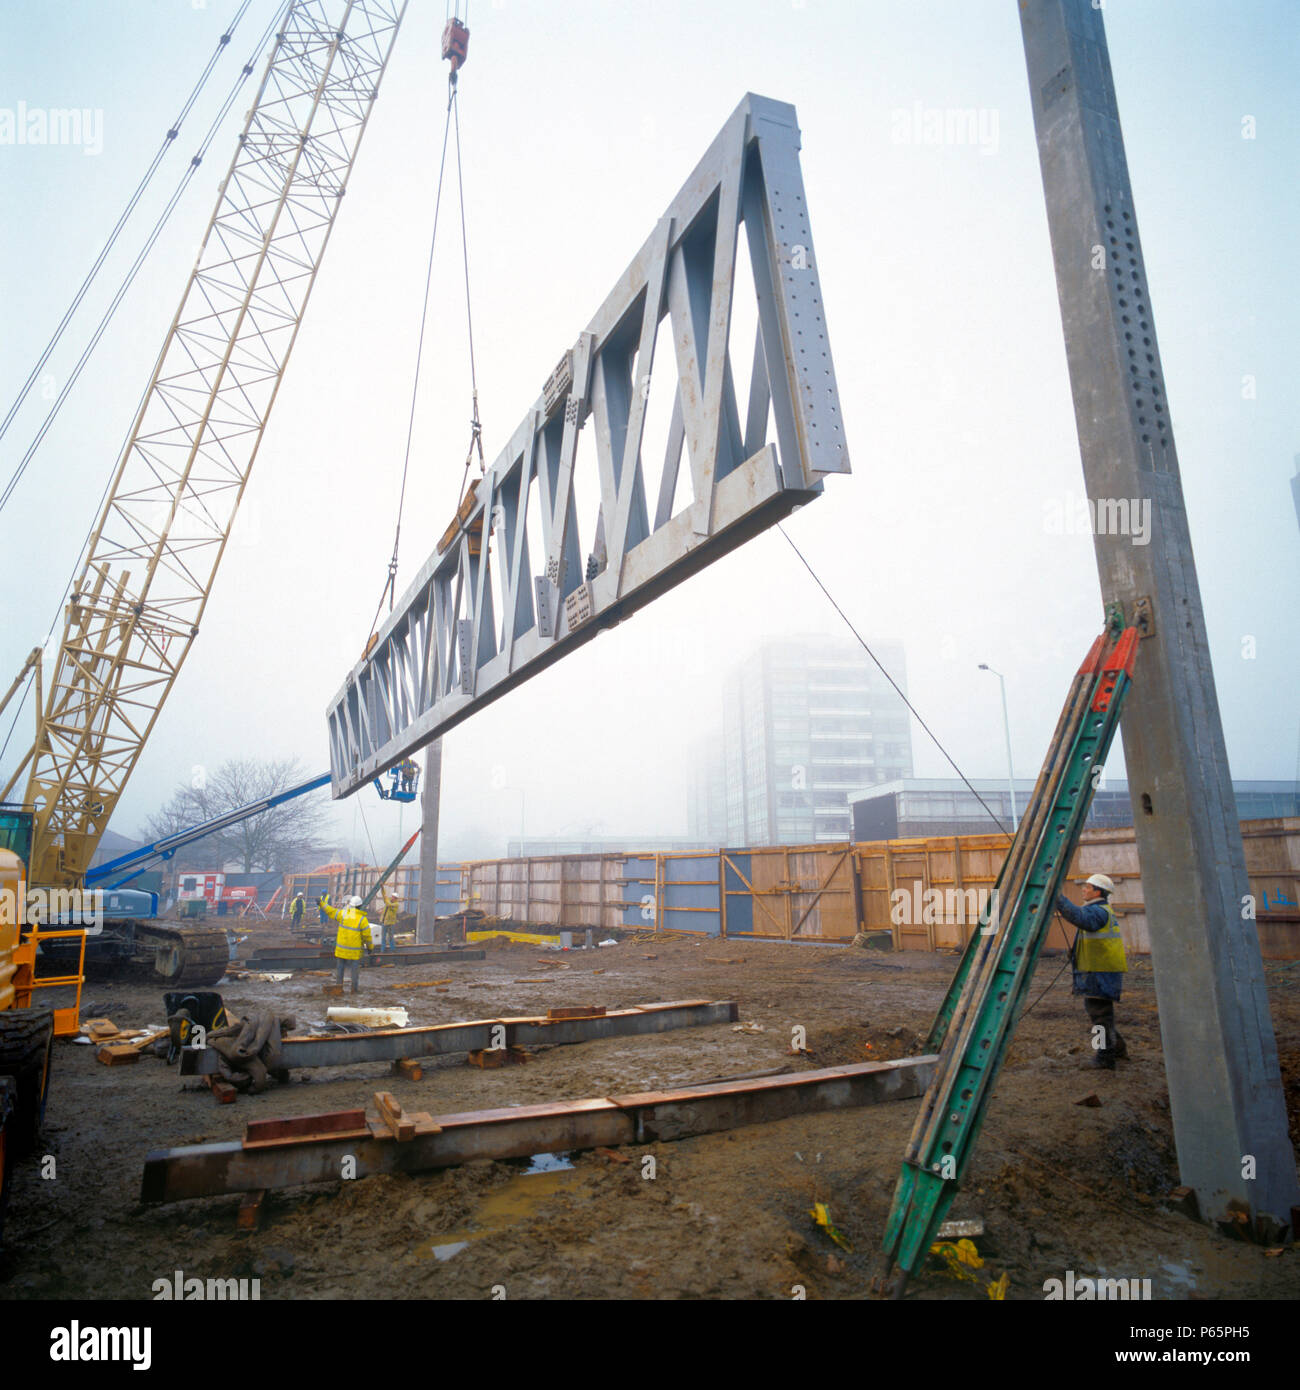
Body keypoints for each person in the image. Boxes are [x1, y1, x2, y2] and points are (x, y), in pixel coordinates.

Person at [1055, 873, 1127, 1069]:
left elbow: (1080, 917)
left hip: (1100, 973)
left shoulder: (1098, 912)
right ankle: (1118, 1049)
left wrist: (1058, 899)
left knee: (1099, 1016)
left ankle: (1105, 1058)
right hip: (1101, 971)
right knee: (1102, 1014)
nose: (1084, 890)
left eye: (1087, 887)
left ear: (1098, 891)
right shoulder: (1101, 911)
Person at [319, 893, 372, 994]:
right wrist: (370, 948)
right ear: (360, 906)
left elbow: (330, 911)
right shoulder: (362, 920)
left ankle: (339, 989)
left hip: (341, 950)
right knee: (354, 972)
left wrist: (321, 903)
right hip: (354, 952)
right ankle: (354, 990)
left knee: (340, 970)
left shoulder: (343, 914)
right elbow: (367, 937)